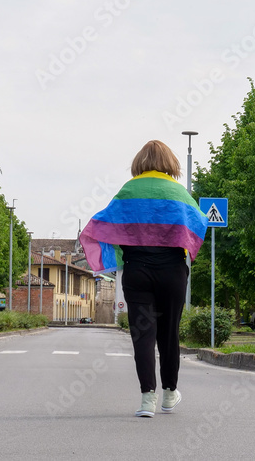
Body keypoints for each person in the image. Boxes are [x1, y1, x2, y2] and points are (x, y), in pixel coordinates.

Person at [80, 140, 208, 417]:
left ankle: (146, 400)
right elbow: (199, 222)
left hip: (137, 271)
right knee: (169, 334)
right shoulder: (177, 192)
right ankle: (170, 394)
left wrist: (113, 259)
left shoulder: (128, 191)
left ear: (139, 163)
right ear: (170, 163)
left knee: (143, 335)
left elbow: (105, 225)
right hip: (172, 271)